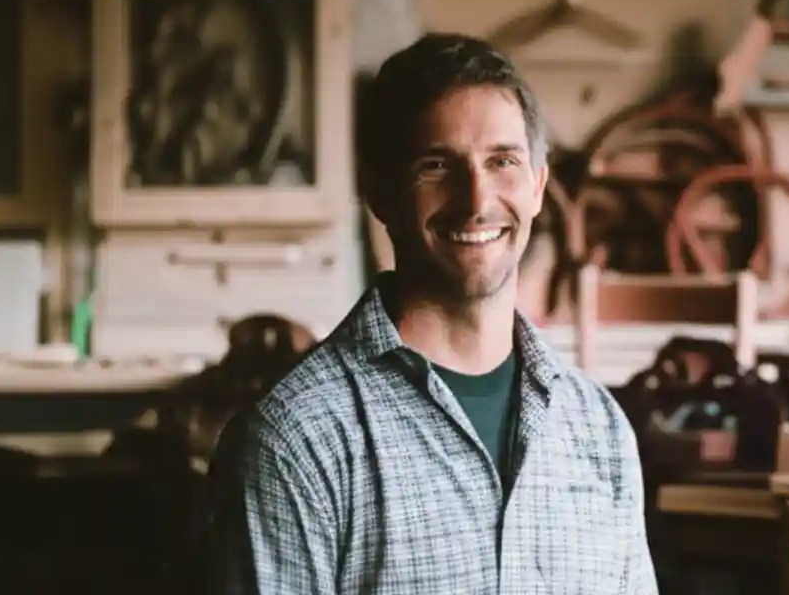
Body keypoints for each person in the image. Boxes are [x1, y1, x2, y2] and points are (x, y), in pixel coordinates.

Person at [207, 33, 657, 594]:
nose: (476, 199)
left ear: (539, 186)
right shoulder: (299, 441)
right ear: (380, 194)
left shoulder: (599, 429)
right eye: (437, 165)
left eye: (503, 161)